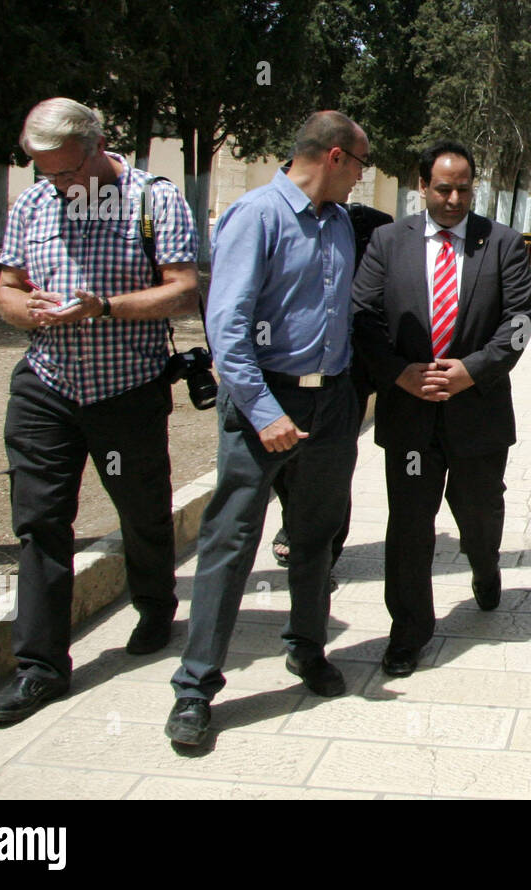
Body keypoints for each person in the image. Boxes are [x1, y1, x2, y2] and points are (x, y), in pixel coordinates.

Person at [0, 97, 199, 725]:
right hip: (46, 387)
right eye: (44, 172)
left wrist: (102, 307)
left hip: (126, 391)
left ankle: (156, 606)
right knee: (40, 523)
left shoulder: (153, 200)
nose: (57, 184)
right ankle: (41, 668)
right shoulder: (32, 204)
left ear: (99, 145)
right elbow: (7, 286)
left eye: (67, 171)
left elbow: (184, 291)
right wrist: (24, 312)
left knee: (143, 511)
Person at [165, 111, 368, 746]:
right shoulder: (256, 215)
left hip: (330, 405)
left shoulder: (338, 224)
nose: (363, 178)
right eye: (360, 164)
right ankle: (195, 688)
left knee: (317, 538)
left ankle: (306, 648)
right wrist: (266, 413)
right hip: (264, 406)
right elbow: (226, 330)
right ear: (334, 157)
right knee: (229, 542)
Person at [351, 139, 531, 678]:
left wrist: (472, 369)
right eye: (443, 188)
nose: (454, 199)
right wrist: (400, 373)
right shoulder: (387, 241)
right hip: (410, 413)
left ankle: (485, 567)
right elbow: (363, 316)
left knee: (480, 514)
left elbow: (520, 320)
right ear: (422, 187)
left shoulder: (500, 243)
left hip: (478, 412)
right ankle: (409, 632)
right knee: (410, 526)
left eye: (463, 189)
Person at [268, 201, 394, 568]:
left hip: (348, 373)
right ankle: (292, 523)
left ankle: (327, 552)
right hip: (289, 369)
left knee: (333, 466)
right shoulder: (288, 223)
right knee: (285, 461)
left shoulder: (375, 227)